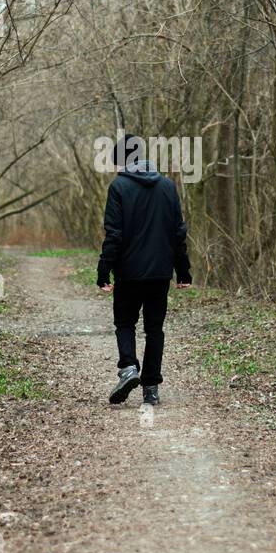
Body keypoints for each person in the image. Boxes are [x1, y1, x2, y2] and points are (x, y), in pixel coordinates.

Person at [97, 134, 191, 405]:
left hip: (129, 272)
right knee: (154, 330)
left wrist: (104, 271)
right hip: (160, 273)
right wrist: (182, 271)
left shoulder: (119, 187)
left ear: (123, 161)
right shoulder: (167, 186)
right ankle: (150, 388)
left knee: (125, 323)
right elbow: (178, 233)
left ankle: (128, 368)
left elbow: (113, 234)